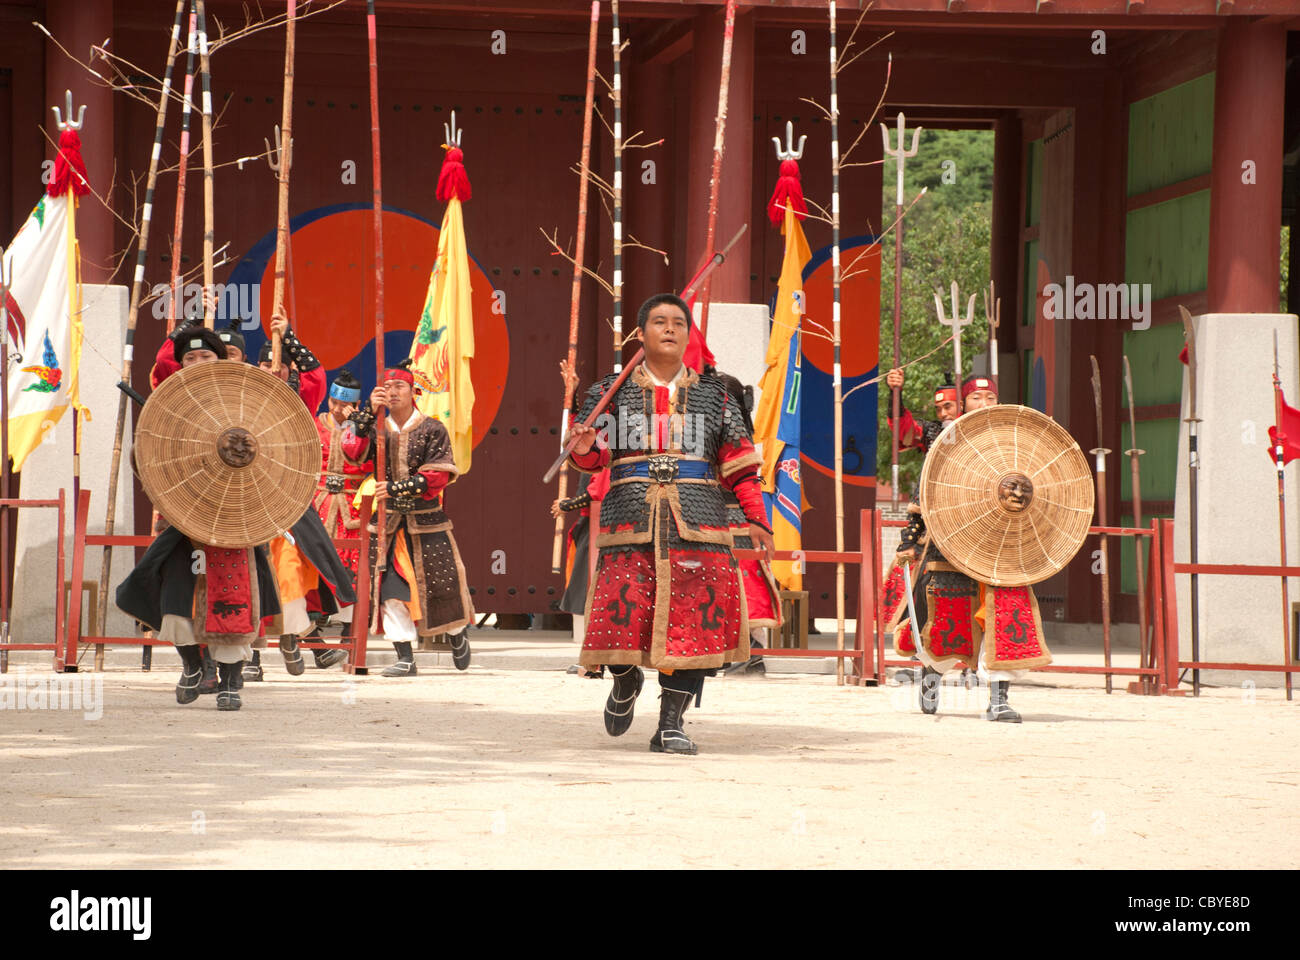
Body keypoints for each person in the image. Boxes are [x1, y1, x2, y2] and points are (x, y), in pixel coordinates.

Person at [566, 293, 773, 755]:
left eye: (678, 322)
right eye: (658, 322)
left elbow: (739, 463)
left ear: (687, 334)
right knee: (622, 617)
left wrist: (757, 518)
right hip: (631, 516)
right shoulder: (609, 392)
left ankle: (672, 723)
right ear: (640, 335)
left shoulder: (717, 394)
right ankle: (624, 680)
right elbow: (594, 455)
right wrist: (581, 444)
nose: (670, 329)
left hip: (699, 520)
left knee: (693, 624)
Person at [116, 325, 281, 711]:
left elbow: (270, 450)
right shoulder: (170, 406)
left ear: (220, 360)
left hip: (235, 517)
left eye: (206, 356)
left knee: (235, 602)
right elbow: (147, 456)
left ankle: (232, 681)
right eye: (189, 357)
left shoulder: (245, 401)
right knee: (178, 602)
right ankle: (192, 664)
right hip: (183, 517)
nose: (197, 362)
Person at [883, 370, 1051, 722]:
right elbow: (924, 493)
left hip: (1001, 546)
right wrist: (911, 540)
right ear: (963, 403)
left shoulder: (1010, 440)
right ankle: (932, 674)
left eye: (991, 398)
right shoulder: (946, 439)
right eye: (977, 398)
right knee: (944, 622)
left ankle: (998, 700)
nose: (984, 404)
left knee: (1004, 622)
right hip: (949, 547)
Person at [342, 361, 474, 677]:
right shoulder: (377, 429)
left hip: (426, 520)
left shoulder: (432, 428)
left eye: (399, 386)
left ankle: (457, 634)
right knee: (390, 589)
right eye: (386, 388)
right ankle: (404, 656)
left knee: (443, 584)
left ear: (413, 391)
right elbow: (351, 453)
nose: (392, 392)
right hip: (387, 524)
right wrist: (365, 415)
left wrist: (398, 487)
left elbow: (439, 475)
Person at [243, 313, 356, 681]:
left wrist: (288, 337)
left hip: (284, 502)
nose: (272, 371)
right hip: (238, 501)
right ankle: (254, 657)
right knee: (244, 577)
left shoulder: (296, 400)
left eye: (279, 366)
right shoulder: (237, 396)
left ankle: (298, 635)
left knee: (290, 567)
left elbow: (315, 376)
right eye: (265, 365)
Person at [714, 371, 781, 678]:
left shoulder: (735, 437)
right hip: (714, 521)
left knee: (744, 589)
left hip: (738, 522)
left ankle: (750, 654)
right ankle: (728, 652)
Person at [309, 370, 371, 659]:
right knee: (313, 565)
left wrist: (357, 426)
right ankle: (316, 621)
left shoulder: (363, 427)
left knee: (351, 568)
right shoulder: (314, 424)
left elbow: (357, 453)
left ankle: (349, 631)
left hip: (350, 505)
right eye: (333, 402)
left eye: (344, 404)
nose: (337, 409)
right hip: (318, 501)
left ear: (356, 405)